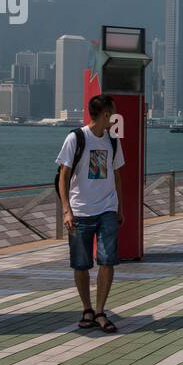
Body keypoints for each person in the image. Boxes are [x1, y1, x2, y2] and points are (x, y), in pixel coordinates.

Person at [55, 94, 125, 332]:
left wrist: (119, 208)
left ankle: (100, 311)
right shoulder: (76, 138)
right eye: (112, 113)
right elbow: (63, 175)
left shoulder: (113, 140)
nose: (114, 117)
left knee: (107, 261)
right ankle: (87, 309)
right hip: (80, 212)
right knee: (81, 264)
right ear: (105, 114)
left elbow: (117, 175)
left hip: (107, 209)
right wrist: (66, 210)